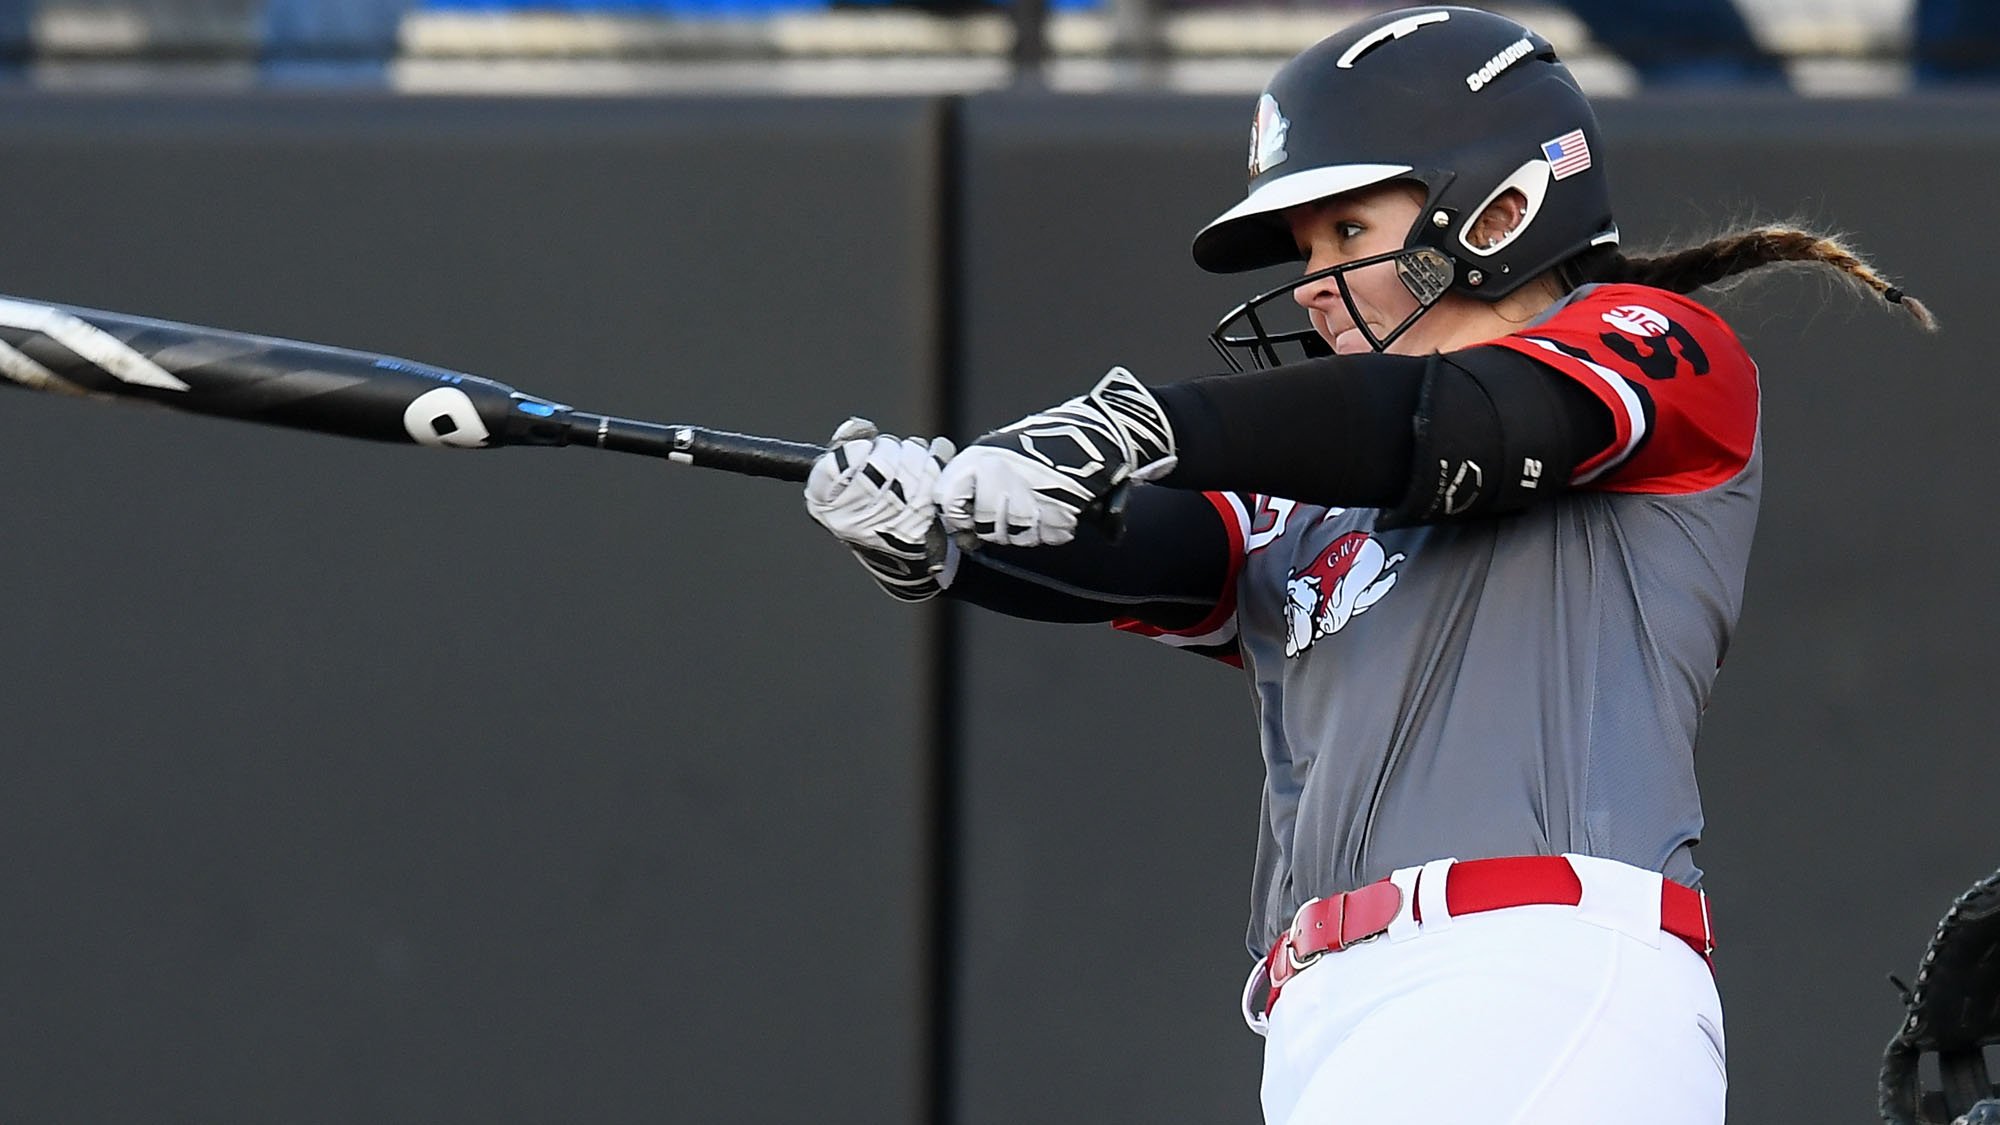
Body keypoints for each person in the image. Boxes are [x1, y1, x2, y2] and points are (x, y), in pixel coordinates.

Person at [803, 6, 1933, 1122]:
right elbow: (1157, 551)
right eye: (1305, 249)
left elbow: (1450, 421)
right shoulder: (1309, 486)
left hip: (1530, 966)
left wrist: (1140, 425)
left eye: (1346, 232)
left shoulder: (1651, 341)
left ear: (1497, 208)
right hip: (1329, 1006)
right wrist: (946, 538)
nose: (1308, 280)